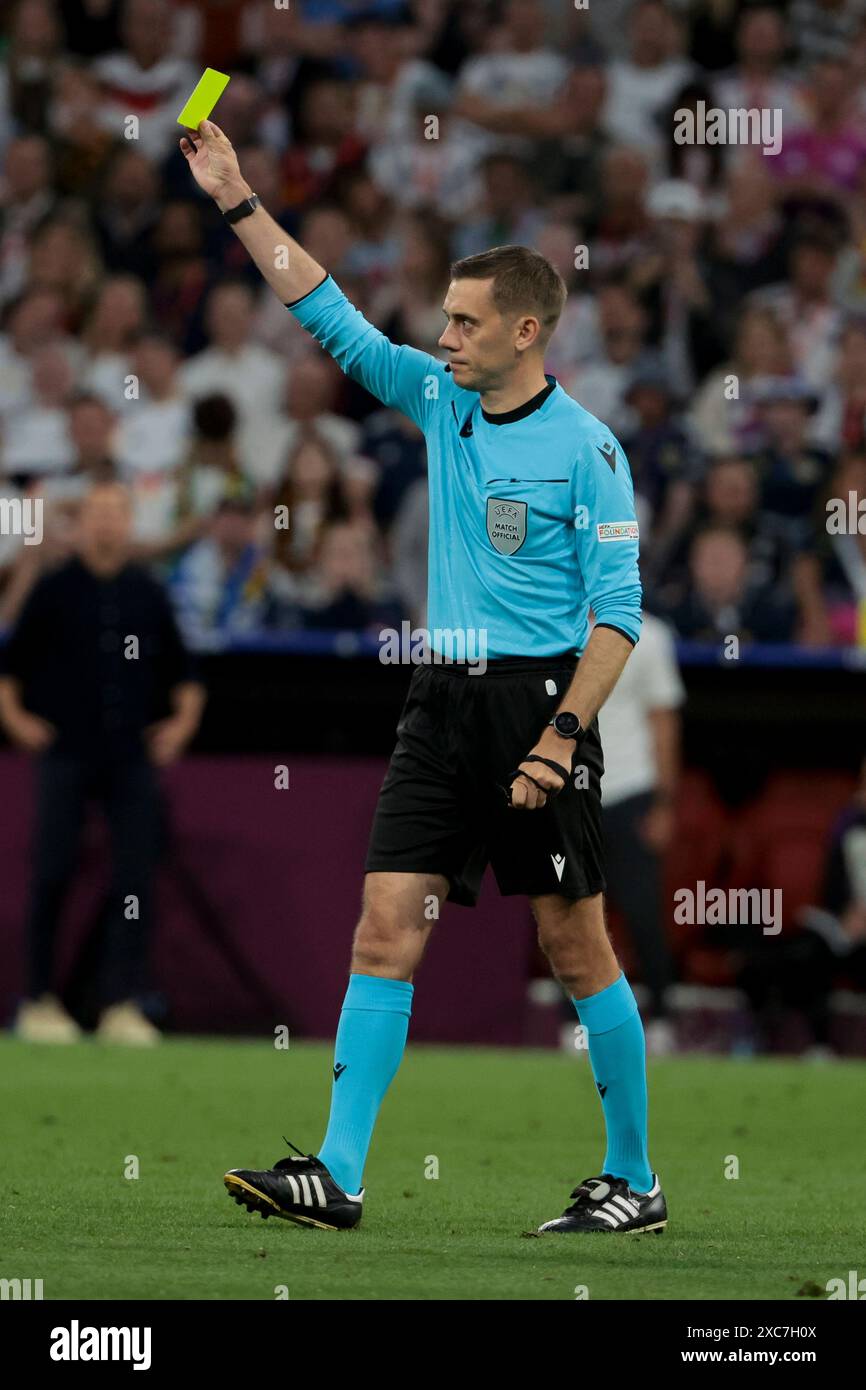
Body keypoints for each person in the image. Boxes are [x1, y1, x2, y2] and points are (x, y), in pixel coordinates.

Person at [181, 118, 665, 1236]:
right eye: (444, 317)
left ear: (525, 331)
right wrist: (238, 199)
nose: (441, 335)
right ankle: (338, 1173)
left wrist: (558, 740)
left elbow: (619, 617)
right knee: (384, 925)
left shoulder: (585, 448)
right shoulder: (440, 400)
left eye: (463, 320)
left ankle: (632, 1177)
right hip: (438, 700)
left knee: (573, 940)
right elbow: (327, 314)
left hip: (537, 703)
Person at [0, 482, 205, 1044]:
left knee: (135, 876)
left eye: (118, 514)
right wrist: (17, 721)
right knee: (52, 869)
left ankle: (121, 1002)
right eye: (97, 514)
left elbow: (185, 676)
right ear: (81, 522)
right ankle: (37, 1000)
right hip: (65, 749)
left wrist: (181, 724)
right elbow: (9, 669)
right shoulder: (53, 589)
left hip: (130, 755)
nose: (108, 524)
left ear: (130, 522)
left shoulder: (147, 591)